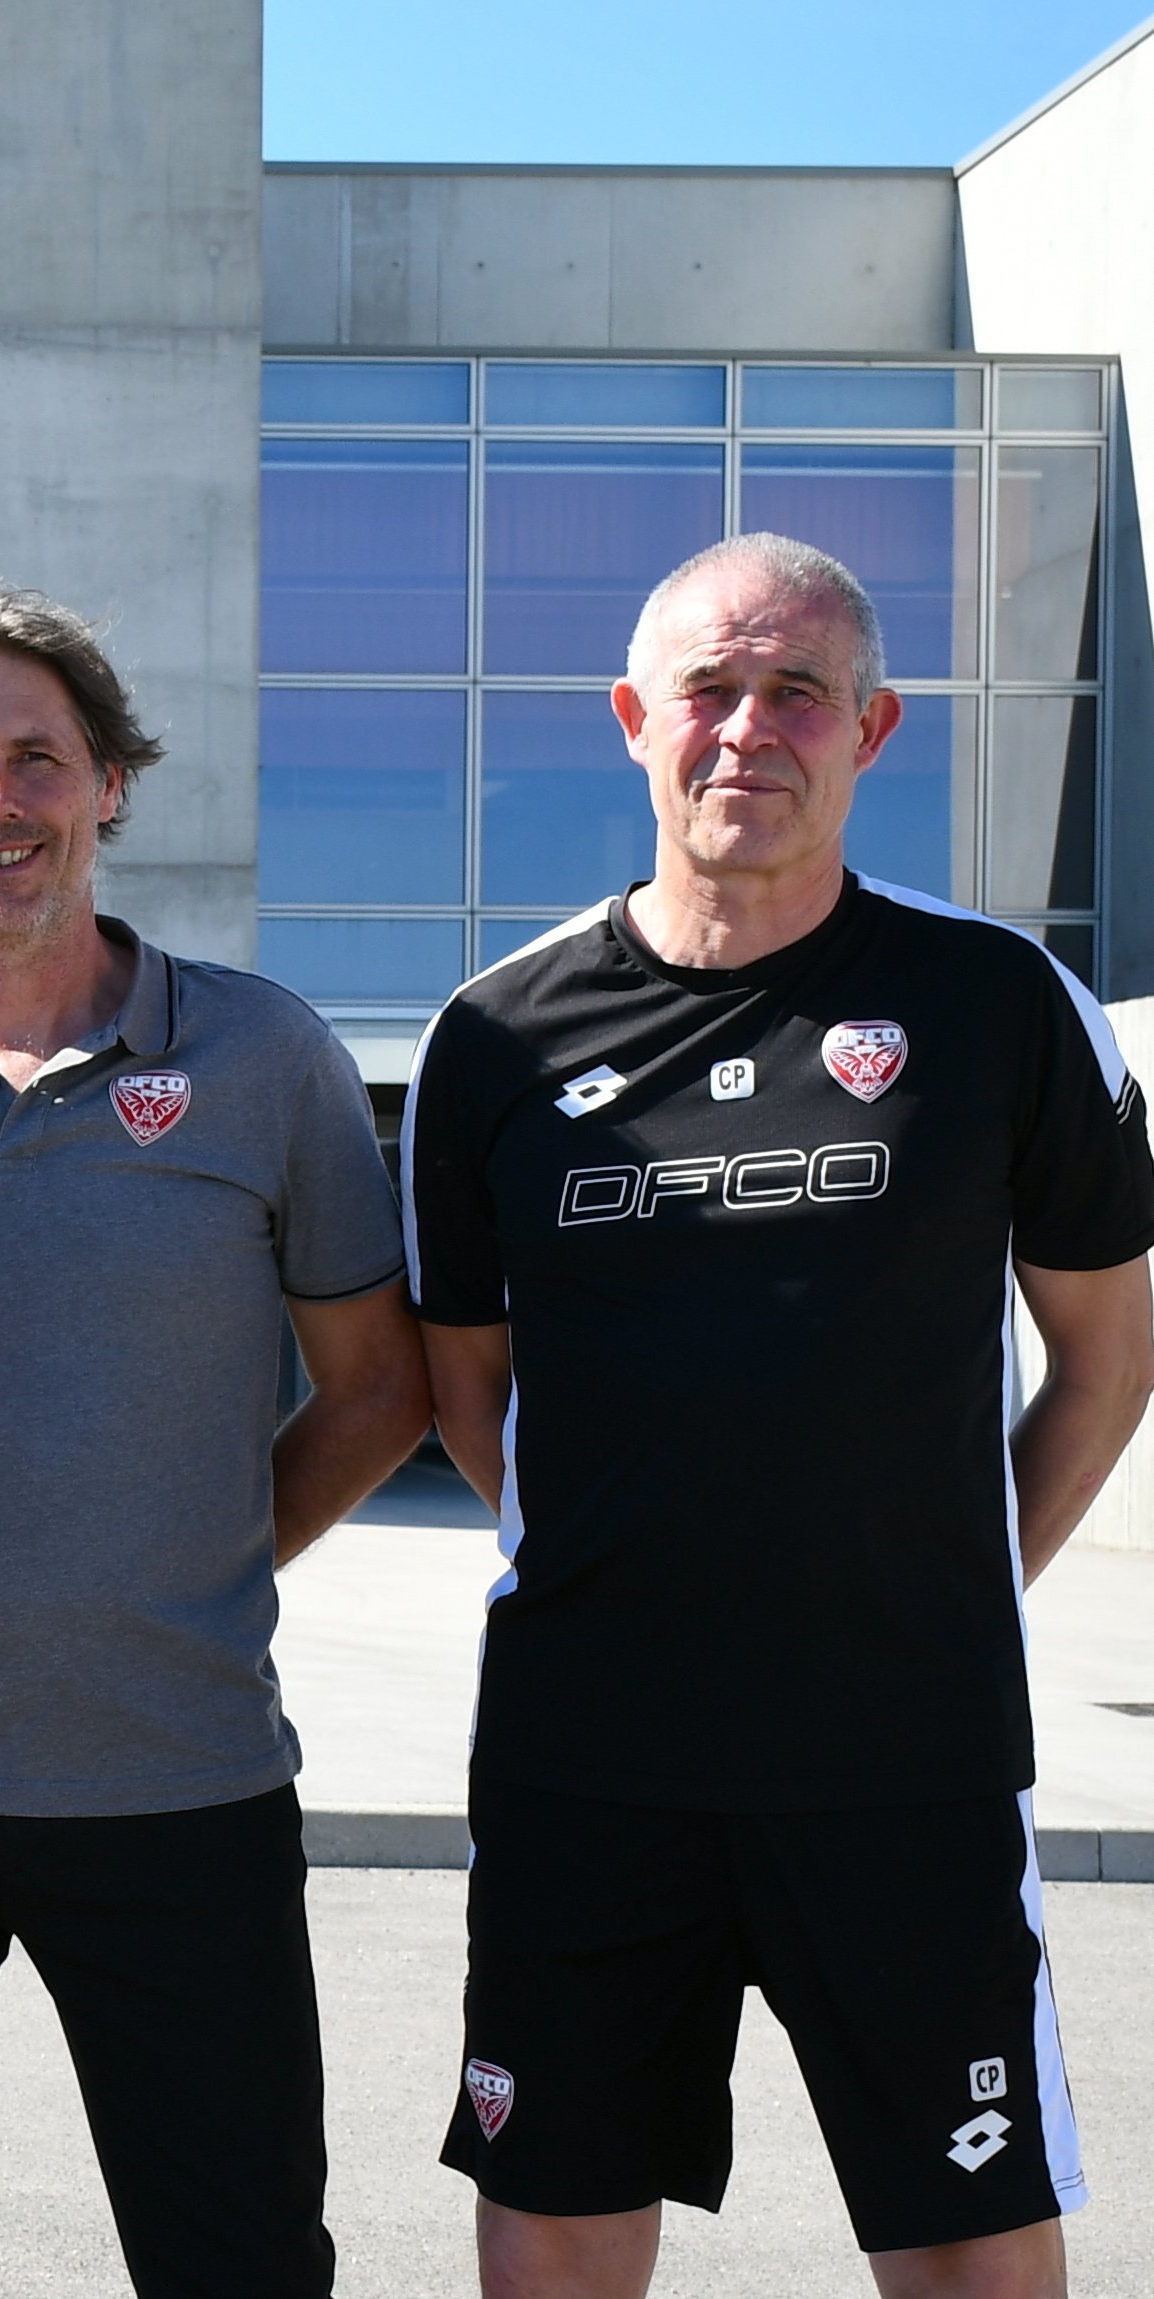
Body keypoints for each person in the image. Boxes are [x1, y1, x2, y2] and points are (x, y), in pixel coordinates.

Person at [405, 532, 1154, 2299]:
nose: (748, 731)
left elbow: (1108, 1360)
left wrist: (952, 1583)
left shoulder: (994, 1007)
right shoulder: (492, 1039)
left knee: (967, 2239)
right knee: (559, 2226)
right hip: (589, 1760)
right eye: (708, 692)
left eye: (797, 693)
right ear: (630, 721)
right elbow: (466, 1404)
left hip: (904, 1763)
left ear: (871, 730)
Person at [0, 585, 431, 2299]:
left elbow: (376, 1388)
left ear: (109, 783)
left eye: (36, 756)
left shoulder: (263, 1057)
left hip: (176, 1776)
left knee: (240, 2259)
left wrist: (188, 1553)